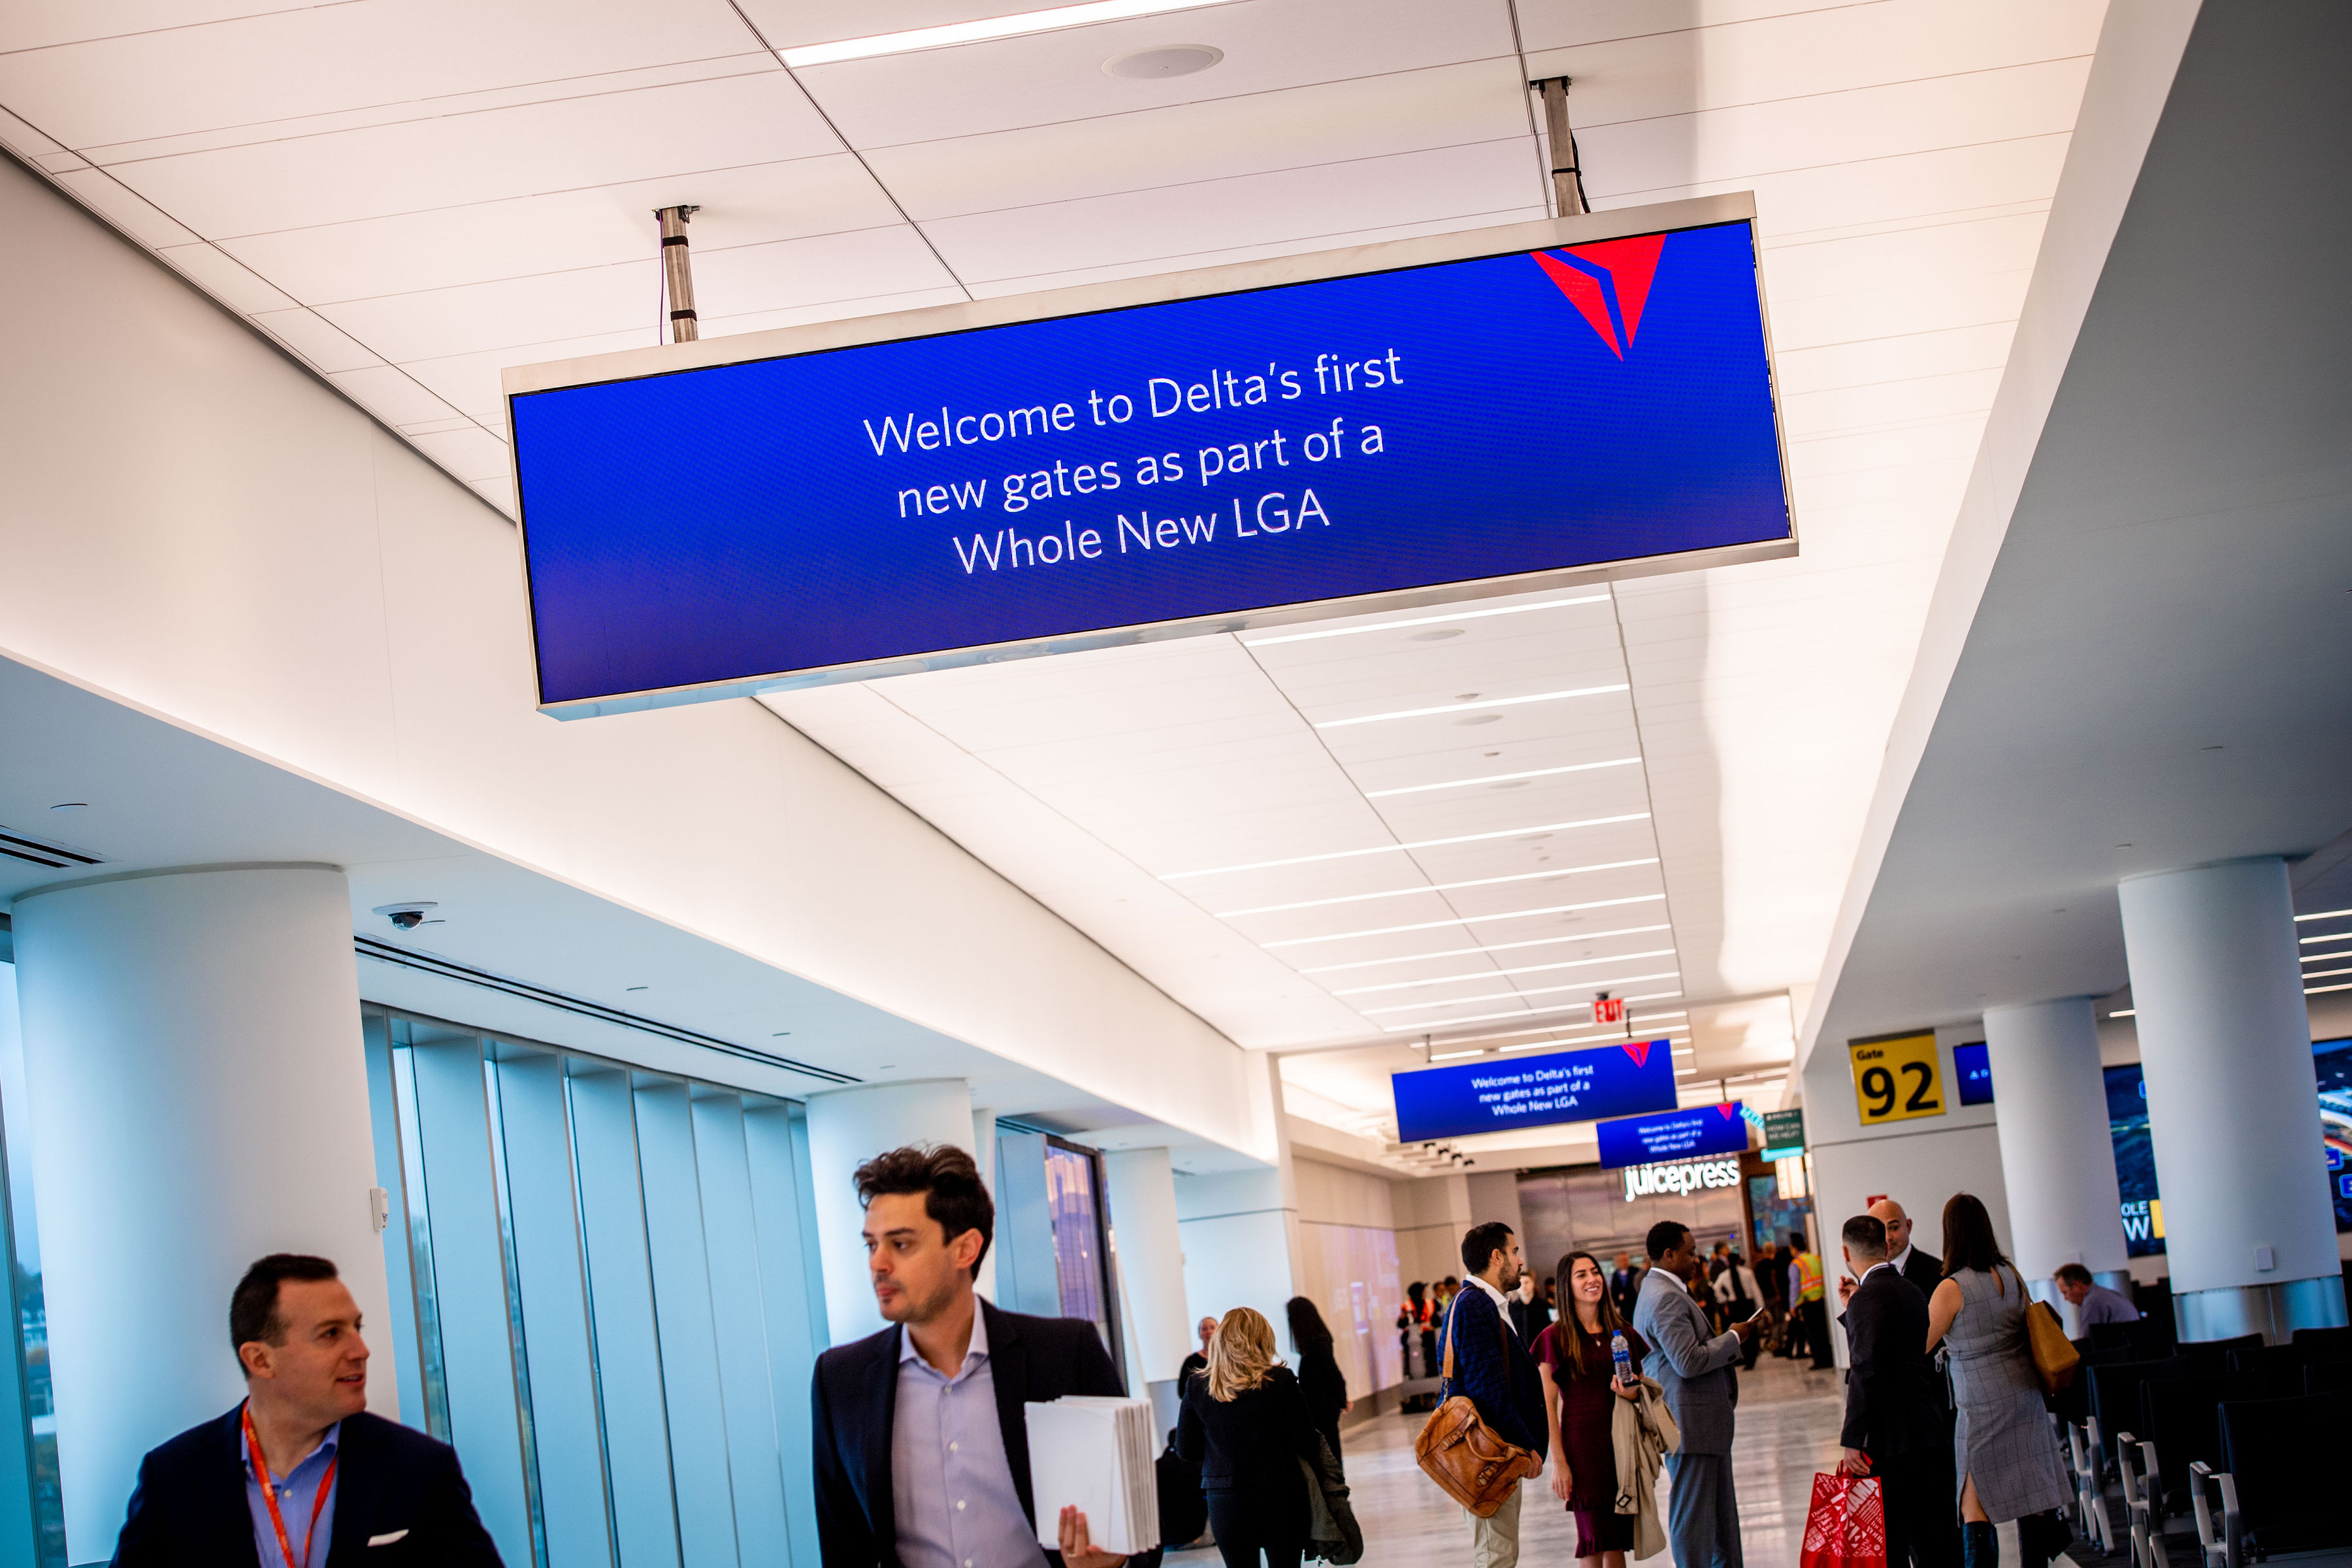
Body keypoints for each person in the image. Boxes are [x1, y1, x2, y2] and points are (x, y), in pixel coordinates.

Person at [809, 1143, 1133, 1568]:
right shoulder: (841, 1380)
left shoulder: (1065, 1354)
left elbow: (1138, 1524)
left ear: (966, 1249)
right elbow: (842, 1545)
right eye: (872, 1245)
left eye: (901, 1245)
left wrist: (1112, 1563)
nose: (879, 1264)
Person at [112, 1252, 502, 1565]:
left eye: (357, 1329)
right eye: (331, 1334)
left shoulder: (420, 1469)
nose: (360, 1351)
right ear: (260, 1360)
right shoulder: (174, 1478)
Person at [1925, 1194, 2072, 1568]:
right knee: (2032, 1499)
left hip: (1982, 1406)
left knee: (1975, 1506)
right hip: (2025, 1396)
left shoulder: (1952, 1288)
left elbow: (1919, 1344)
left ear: (1950, 1234)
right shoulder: (2010, 1273)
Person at [1633, 1221, 1759, 1568]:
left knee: (1720, 1520)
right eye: (1690, 1252)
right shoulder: (1664, 1298)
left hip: (1702, 1425)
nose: (1696, 1258)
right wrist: (1733, 1338)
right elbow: (1688, 1361)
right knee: (1693, 1521)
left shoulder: (1664, 1291)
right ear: (1669, 1255)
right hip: (1690, 1425)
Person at [1836, 1215, 1946, 1568]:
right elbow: (1896, 1345)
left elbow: (1866, 1371)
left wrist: (1853, 1437)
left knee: (1890, 1542)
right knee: (1929, 1538)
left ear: (1845, 1252)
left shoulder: (1867, 1298)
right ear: (1886, 1246)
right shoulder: (1912, 1290)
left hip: (1890, 1438)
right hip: (1926, 1428)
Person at [1178, 1307, 1320, 1568]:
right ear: (1263, 1339)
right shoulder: (1281, 1380)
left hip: (1225, 1497)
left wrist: (1218, 1453)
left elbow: (1185, 1449)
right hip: (1281, 1492)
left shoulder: (1198, 1385)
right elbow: (1306, 1441)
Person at [1535, 1250, 1651, 1568]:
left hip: (1621, 1445)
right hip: (1582, 1449)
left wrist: (1630, 1392)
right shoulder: (1555, 1337)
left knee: (1616, 1540)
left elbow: (1639, 1388)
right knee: (1592, 1540)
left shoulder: (1621, 1331)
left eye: (1595, 1272)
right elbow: (1547, 1403)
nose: (1592, 1279)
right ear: (1566, 1286)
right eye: (1581, 1275)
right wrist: (1558, 1462)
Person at [1446, 1221, 1548, 1568]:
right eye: (1515, 1252)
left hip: (1493, 1453)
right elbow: (1487, 1388)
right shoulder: (1475, 1306)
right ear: (1496, 1257)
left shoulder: (1485, 1303)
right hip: (1488, 1456)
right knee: (1495, 1555)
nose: (1520, 1261)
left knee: (1500, 1552)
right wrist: (1525, 1445)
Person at [1284, 1296, 1349, 1466]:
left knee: (1330, 1452)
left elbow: (1332, 1373)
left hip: (1323, 1408)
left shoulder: (1318, 1345)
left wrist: (1342, 1400)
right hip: (1323, 1407)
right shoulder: (1315, 1345)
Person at [1712, 1252, 1761, 1370]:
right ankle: (1751, 1358)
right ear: (1739, 1260)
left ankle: (1741, 1355)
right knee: (1750, 1331)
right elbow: (1756, 1291)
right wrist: (1760, 1307)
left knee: (1738, 1331)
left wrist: (1725, 1299)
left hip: (1735, 1306)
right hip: (1747, 1304)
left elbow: (1716, 1288)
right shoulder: (1747, 1272)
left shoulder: (1724, 1275)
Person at [2053, 1264, 2140, 1330]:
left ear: (2077, 1285)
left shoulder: (2092, 1303)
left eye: (2065, 1292)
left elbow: (2086, 1344)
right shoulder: (2110, 1295)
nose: (2065, 1298)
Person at [1791, 1237, 1832, 1369]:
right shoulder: (1816, 1258)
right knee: (1824, 1332)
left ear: (1794, 1249)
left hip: (1808, 1302)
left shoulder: (1796, 1264)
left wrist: (1793, 1305)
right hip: (1822, 1299)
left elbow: (1795, 1286)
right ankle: (1828, 1358)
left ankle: (1819, 1361)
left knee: (1813, 1334)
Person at [1511, 1271, 1554, 1347]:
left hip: (1541, 1348)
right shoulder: (1512, 1308)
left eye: (1527, 1282)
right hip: (1521, 1350)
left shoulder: (1545, 1306)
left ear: (1533, 1284)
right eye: (1520, 1283)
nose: (1523, 1286)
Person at [1182, 1315, 1217, 1392]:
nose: (1209, 1332)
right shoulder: (1190, 1361)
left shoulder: (1226, 1359)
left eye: (1212, 1328)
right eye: (1204, 1329)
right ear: (1199, 1334)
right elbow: (1182, 1391)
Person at [1610, 1254, 1642, 1322]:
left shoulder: (1636, 1271)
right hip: (1623, 1308)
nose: (1623, 1262)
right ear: (1618, 1262)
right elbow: (1614, 1291)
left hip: (1635, 1305)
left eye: (1625, 1260)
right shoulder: (1615, 1275)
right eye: (1621, 1260)